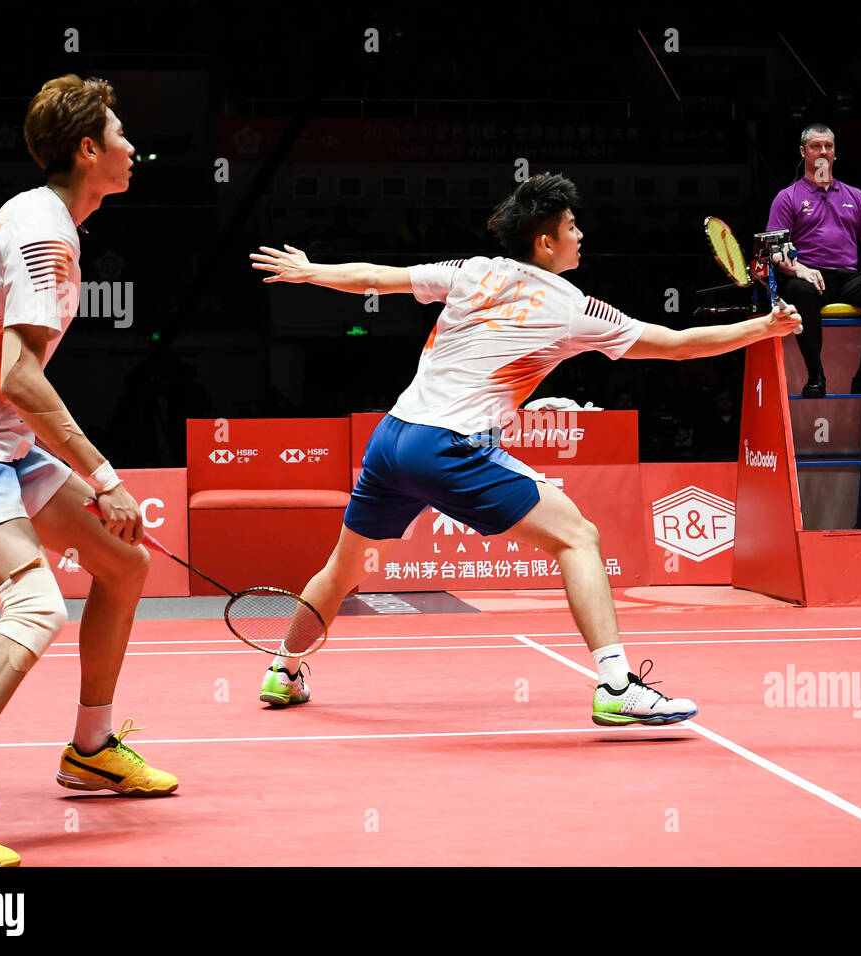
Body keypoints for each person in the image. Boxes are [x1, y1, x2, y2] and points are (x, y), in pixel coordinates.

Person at [249, 173, 802, 723]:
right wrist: (763, 329)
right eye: (571, 226)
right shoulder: (572, 307)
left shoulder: (473, 271)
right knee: (578, 538)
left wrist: (309, 271)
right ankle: (615, 686)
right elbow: (676, 346)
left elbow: (378, 277)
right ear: (546, 242)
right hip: (450, 447)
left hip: (392, 438)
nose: (580, 234)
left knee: (344, 569)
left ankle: (284, 668)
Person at [0, 75, 176, 868]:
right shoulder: (47, 236)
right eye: (120, 136)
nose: (131, 149)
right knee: (34, 605)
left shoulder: (43, 216)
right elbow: (18, 375)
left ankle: (90, 747)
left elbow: (12, 390)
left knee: (123, 561)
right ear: (88, 151)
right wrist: (104, 473)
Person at [767, 123, 861, 397]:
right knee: (800, 292)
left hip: (847, 278)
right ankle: (815, 375)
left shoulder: (855, 196)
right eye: (815, 146)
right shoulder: (786, 198)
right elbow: (777, 253)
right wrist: (800, 270)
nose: (823, 152)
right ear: (803, 152)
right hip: (808, 277)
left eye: (828, 146)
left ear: (835, 153)